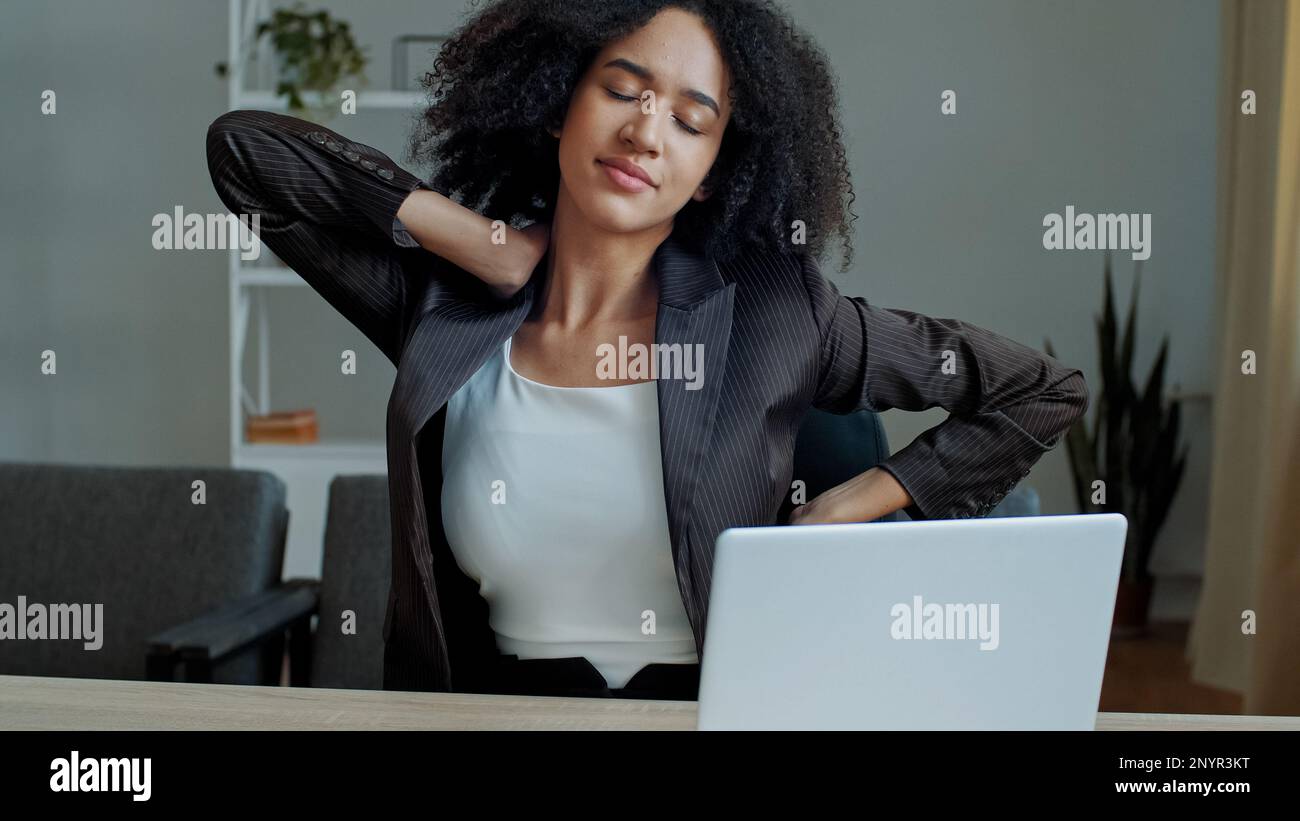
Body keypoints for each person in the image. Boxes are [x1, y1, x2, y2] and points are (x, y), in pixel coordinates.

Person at [206, 0, 1089, 700]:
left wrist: (847, 508)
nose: (645, 130)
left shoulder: (777, 314)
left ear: (713, 174)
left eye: (690, 120)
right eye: (622, 88)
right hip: (490, 709)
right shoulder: (444, 311)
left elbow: (1038, 390)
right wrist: (480, 242)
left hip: (714, 712)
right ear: (558, 104)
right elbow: (243, 155)